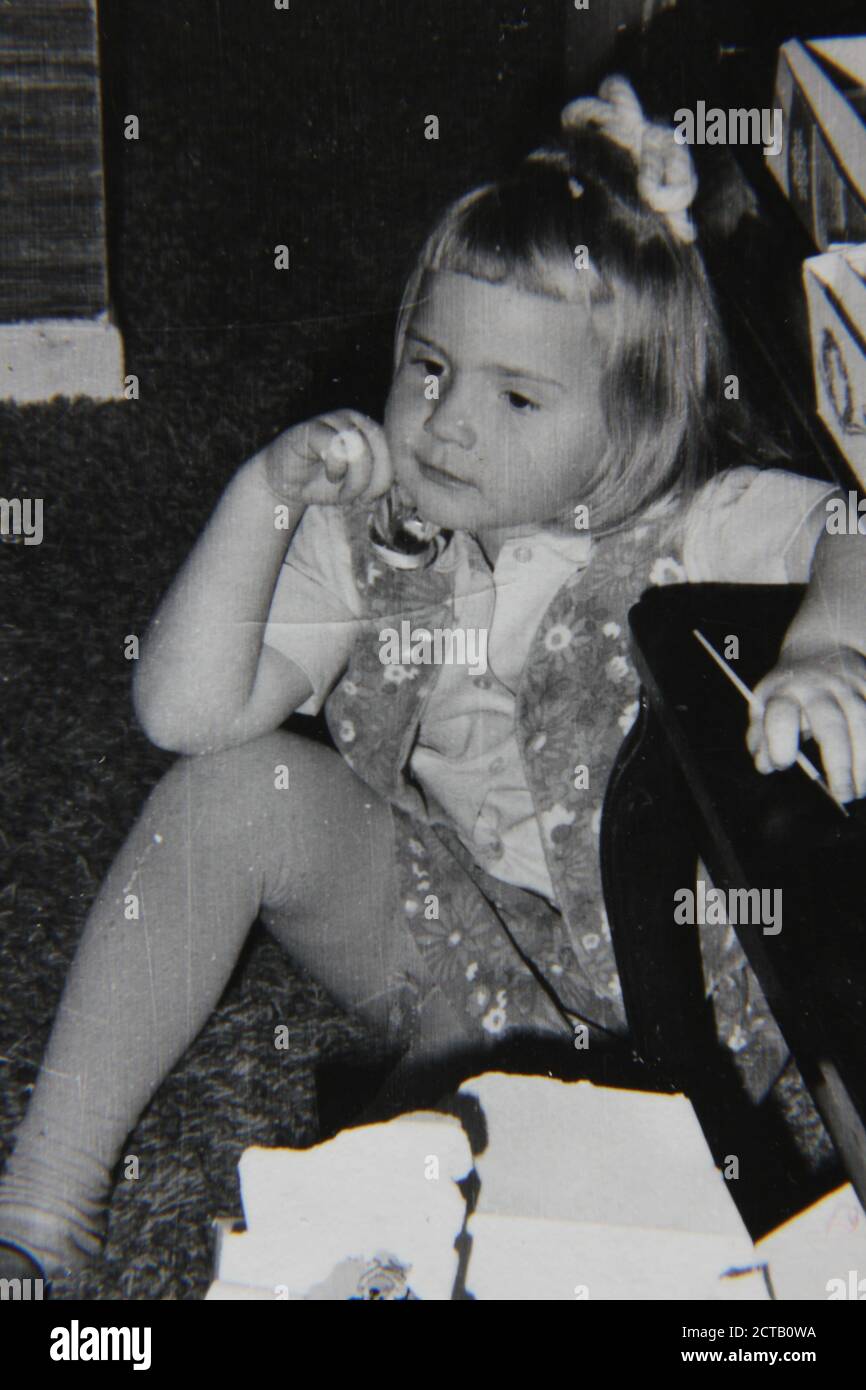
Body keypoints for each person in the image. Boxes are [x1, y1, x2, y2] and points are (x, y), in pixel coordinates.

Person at [2, 77, 865, 1286]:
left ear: (630, 431)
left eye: (514, 397)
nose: (445, 423)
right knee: (235, 789)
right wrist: (263, 496)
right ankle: (41, 1211)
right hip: (461, 960)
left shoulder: (693, 521)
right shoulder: (380, 531)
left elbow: (850, 521)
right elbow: (184, 714)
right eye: (427, 369)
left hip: (708, 1013)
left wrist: (828, 642)